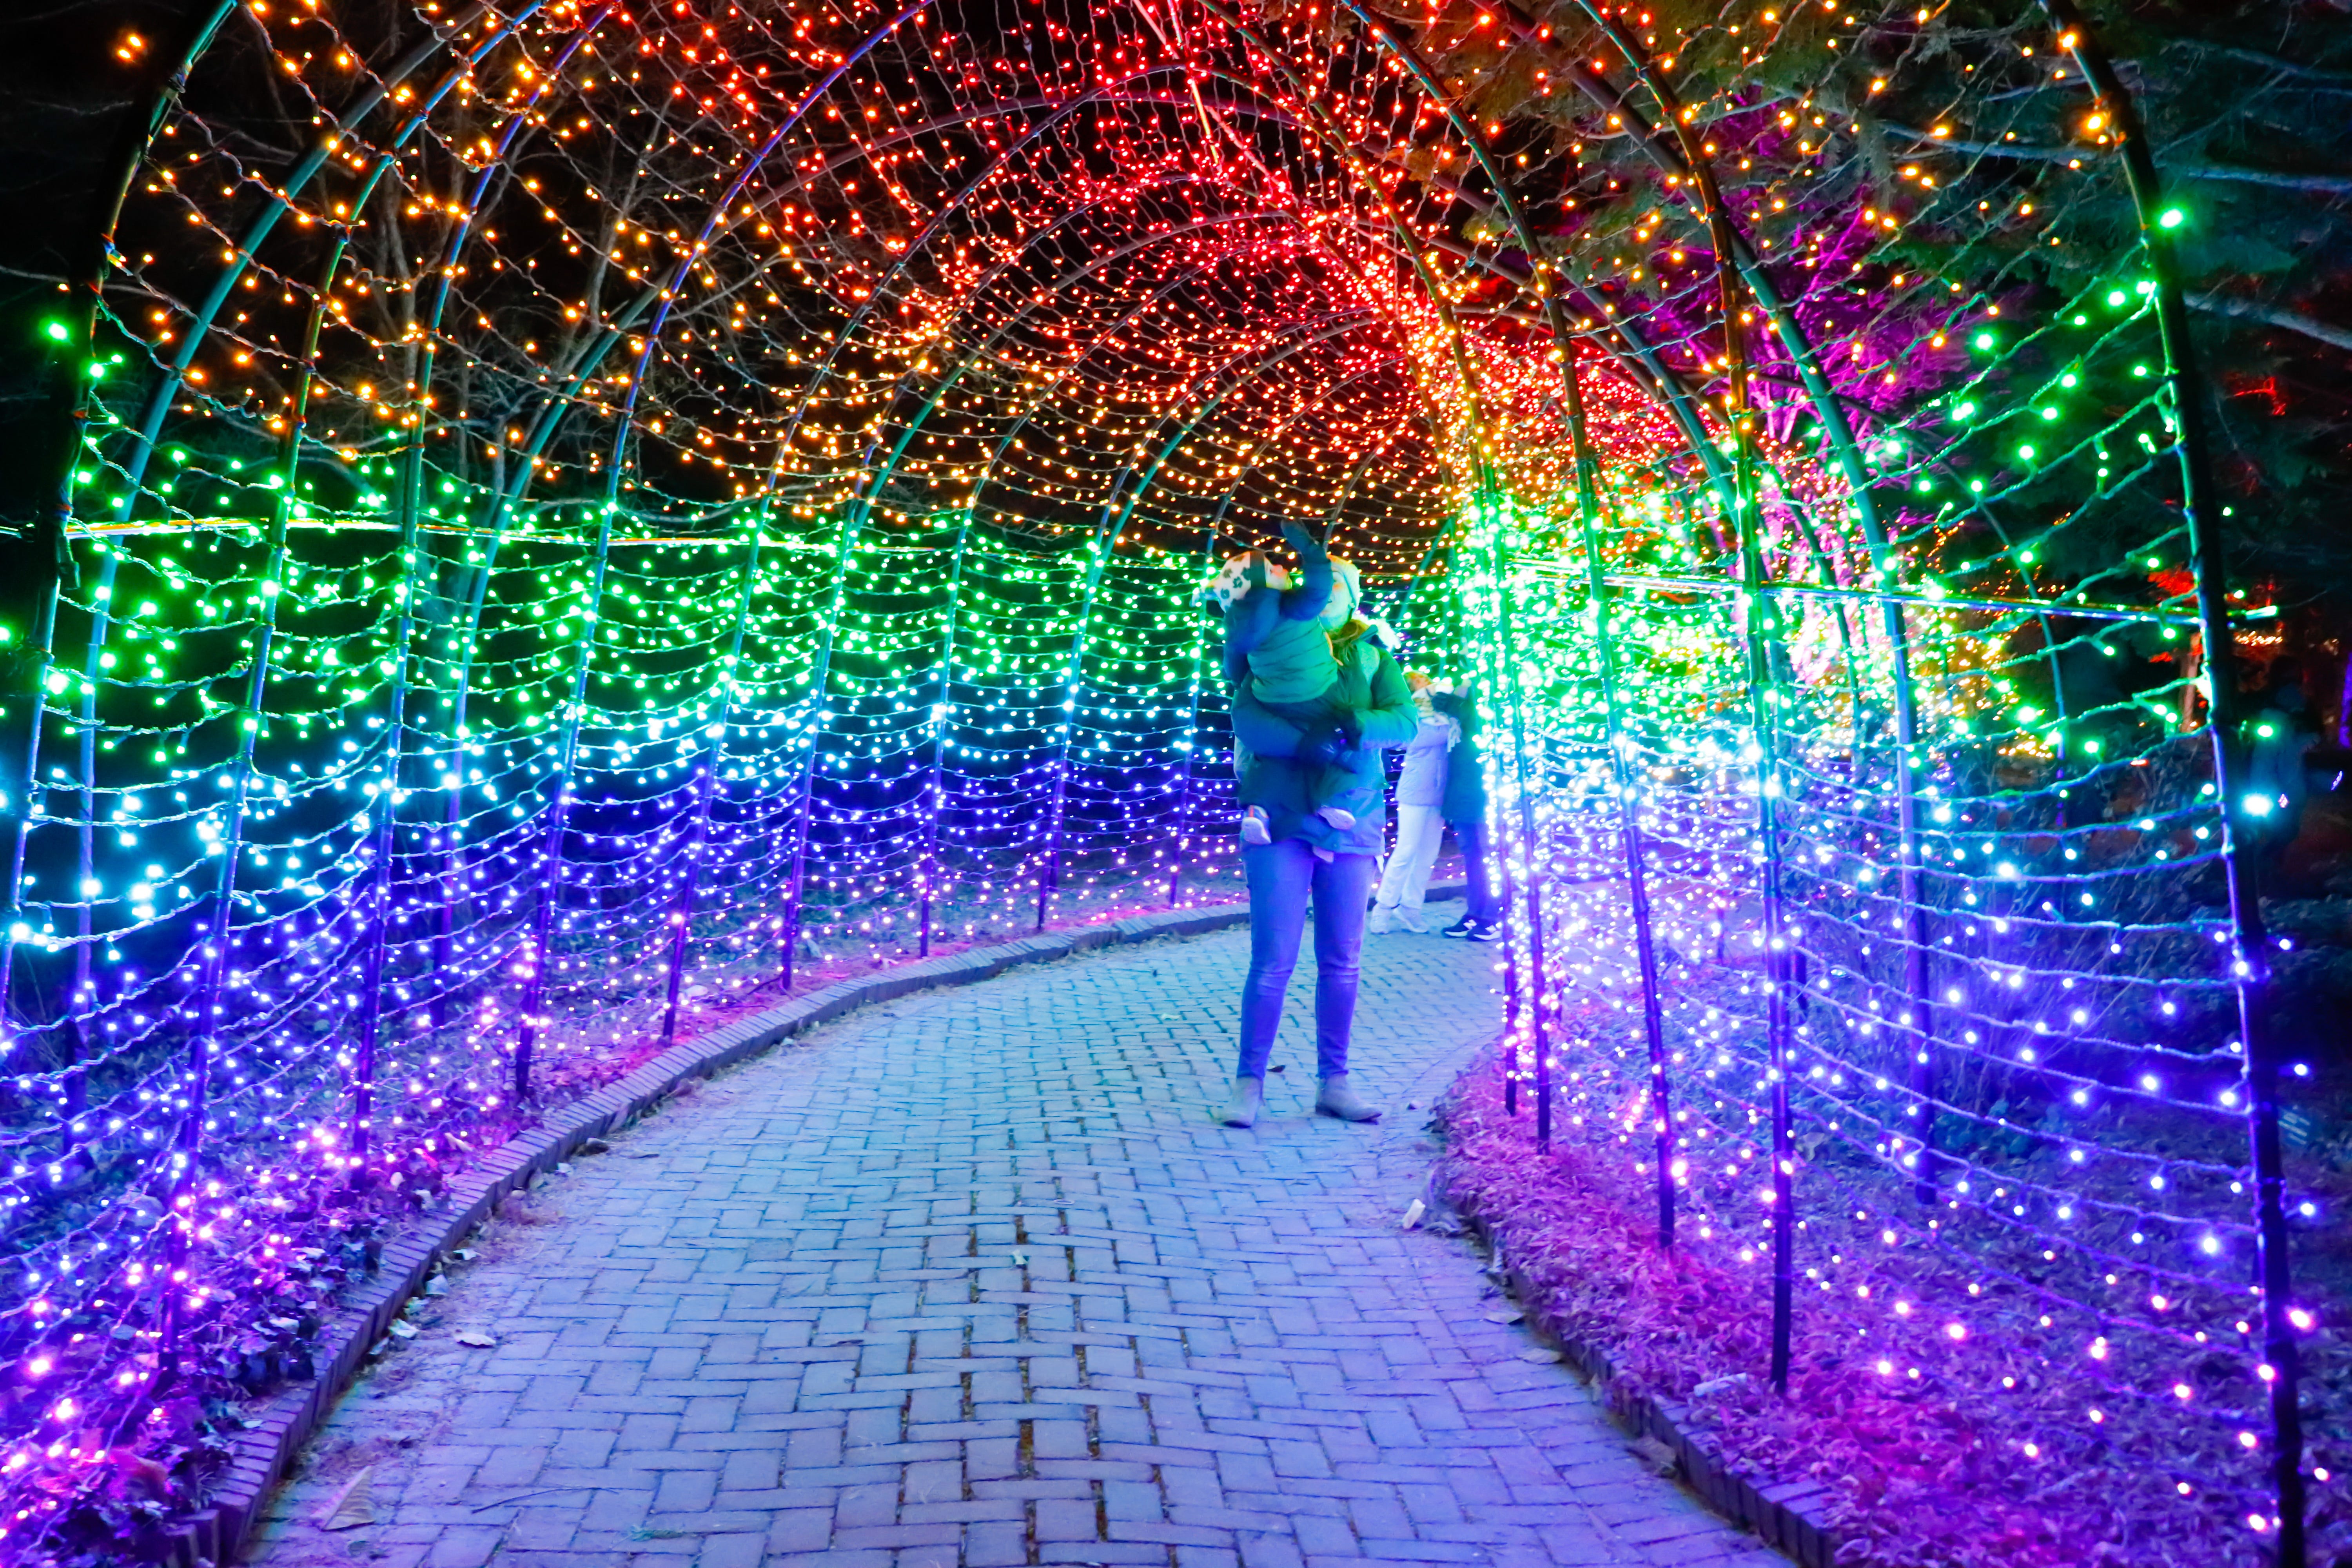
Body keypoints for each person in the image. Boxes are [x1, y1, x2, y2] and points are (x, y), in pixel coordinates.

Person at [1217, 592, 1419, 1129]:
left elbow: (1405, 722)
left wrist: (1351, 725)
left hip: (1353, 816)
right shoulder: (1271, 645)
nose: (1327, 602)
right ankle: (1249, 1082)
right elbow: (1246, 717)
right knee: (1272, 960)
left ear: (1352, 599)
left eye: (1339, 593)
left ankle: (1335, 1081)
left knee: (1342, 960)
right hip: (1280, 817)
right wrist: (1311, 742)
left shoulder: (1372, 654)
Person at [1204, 521, 1373, 858]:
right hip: (1316, 695)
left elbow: (1234, 667)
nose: (1282, 567)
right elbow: (1316, 591)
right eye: (1271, 567)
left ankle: (1257, 810)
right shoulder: (1291, 605)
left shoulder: (1239, 622)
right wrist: (1311, 552)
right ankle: (1329, 800)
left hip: (1274, 700)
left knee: (1274, 758)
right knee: (1333, 748)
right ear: (1262, 582)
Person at [1369, 670, 1454, 933]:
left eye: (1427, 680)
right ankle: (1383, 908)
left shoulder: (1443, 714)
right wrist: (1452, 720)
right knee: (1405, 851)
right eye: (1420, 681)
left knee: (1427, 855)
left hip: (1439, 794)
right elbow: (1419, 740)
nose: (1427, 683)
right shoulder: (1414, 715)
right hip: (1416, 792)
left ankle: (1411, 908)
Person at [1429, 681, 1499, 942]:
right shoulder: (1466, 684)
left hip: (1485, 786)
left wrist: (1458, 707)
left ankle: (1493, 914)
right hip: (1464, 786)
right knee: (1472, 854)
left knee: (1488, 853)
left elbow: (1488, 725)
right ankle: (1477, 911)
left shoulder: (1492, 680)